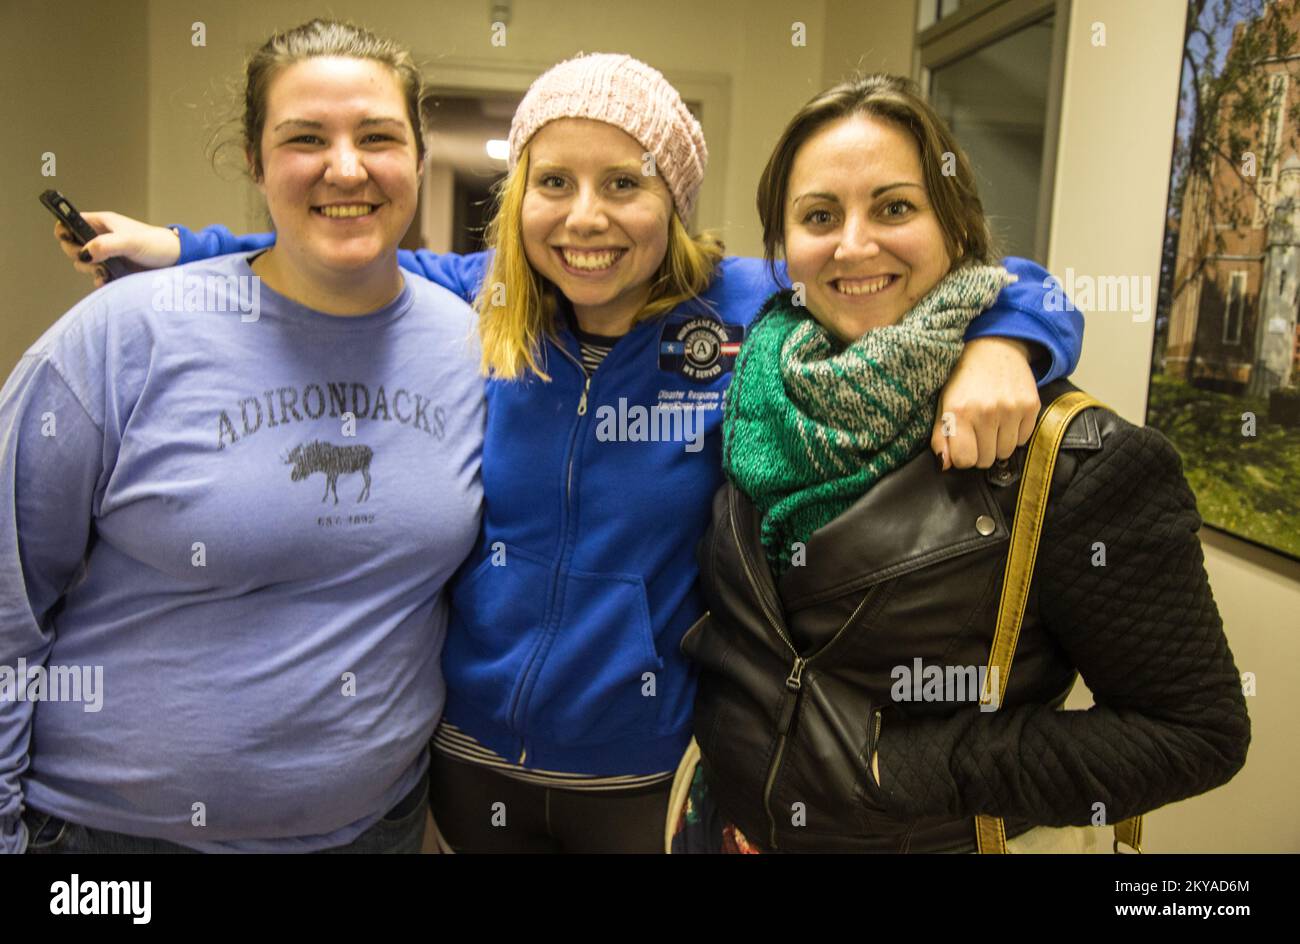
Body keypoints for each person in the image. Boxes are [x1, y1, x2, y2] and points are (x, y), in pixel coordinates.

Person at [53, 55, 1085, 853]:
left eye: (623, 183)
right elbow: (345, 244)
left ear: (671, 198)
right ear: (520, 199)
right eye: (553, 181)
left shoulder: (749, 307)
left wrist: (1008, 343)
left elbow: (978, 276)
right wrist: (179, 247)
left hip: (647, 775)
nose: (585, 217)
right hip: (461, 764)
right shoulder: (483, 299)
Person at [674, 73, 1251, 854]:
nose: (853, 244)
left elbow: (1196, 732)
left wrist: (905, 768)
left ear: (956, 225)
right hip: (723, 828)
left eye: (894, 208)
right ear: (782, 250)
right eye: (819, 216)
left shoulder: (1080, 462)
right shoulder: (756, 390)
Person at [1, 19, 485, 854]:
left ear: (417, 155)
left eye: (378, 136)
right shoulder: (123, 337)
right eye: (305, 139)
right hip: (112, 841)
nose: (346, 167)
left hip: (374, 830)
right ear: (257, 164)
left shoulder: (472, 345)